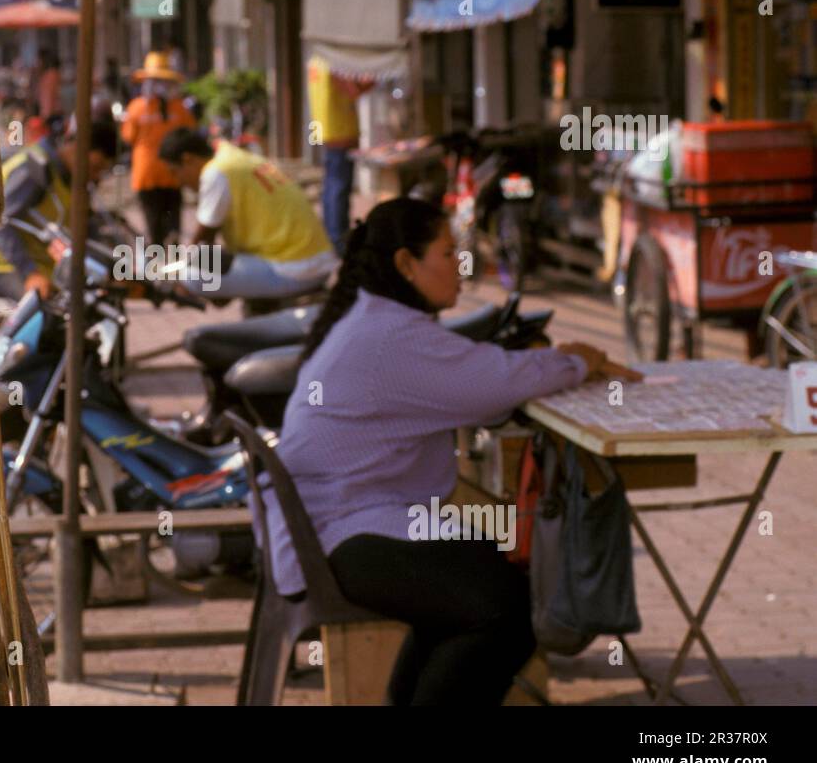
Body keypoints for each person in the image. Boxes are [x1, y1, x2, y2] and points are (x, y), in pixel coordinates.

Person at [265, 198, 623, 705]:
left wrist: (548, 364)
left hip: (342, 519)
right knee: (505, 610)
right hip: (339, 532)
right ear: (407, 265)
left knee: (478, 587)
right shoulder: (390, 337)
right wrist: (576, 362)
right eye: (448, 252)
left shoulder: (380, 322)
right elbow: (489, 383)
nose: (462, 264)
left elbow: (476, 379)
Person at [158, 127, 338, 299]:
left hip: (294, 268)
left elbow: (203, 240)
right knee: (209, 265)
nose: (178, 182)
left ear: (188, 159)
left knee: (192, 275)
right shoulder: (232, 158)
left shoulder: (216, 172)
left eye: (175, 172)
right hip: (313, 260)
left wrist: (174, 275)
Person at [0, 116, 119, 301]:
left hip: (43, 268)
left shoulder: (70, 180)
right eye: (94, 167)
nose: (94, 176)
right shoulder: (35, 170)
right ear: (77, 148)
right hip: (0, 266)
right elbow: (1, 224)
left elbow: (87, 232)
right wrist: (30, 274)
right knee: (46, 306)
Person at [120, 52, 196, 247]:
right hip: (171, 174)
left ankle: (159, 269)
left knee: (154, 227)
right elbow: (191, 135)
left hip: (149, 175)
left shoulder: (136, 108)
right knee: (173, 226)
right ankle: (174, 268)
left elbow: (128, 137)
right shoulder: (179, 108)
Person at [307, 54, 373, 255]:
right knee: (339, 187)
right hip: (340, 131)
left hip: (323, 129)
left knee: (331, 186)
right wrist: (372, 80)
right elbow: (352, 90)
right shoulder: (334, 63)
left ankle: (332, 235)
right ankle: (337, 239)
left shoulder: (315, 61)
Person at [36, 48, 61, 119]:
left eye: (39, 60)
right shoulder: (47, 75)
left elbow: (48, 97)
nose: (37, 63)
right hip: (48, 113)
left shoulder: (51, 75)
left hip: (51, 115)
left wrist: (45, 116)